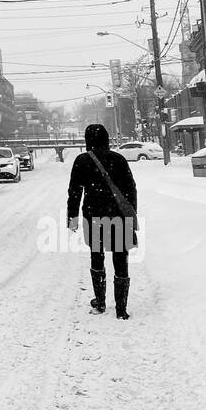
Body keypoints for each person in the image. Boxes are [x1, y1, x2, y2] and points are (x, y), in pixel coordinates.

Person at [67, 123, 139, 319]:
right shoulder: (119, 159)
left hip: (94, 215)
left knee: (96, 255)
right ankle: (121, 309)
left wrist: (72, 216)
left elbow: (75, 191)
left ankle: (100, 302)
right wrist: (132, 213)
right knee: (120, 257)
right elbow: (131, 188)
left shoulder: (82, 160)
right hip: (119, 216)